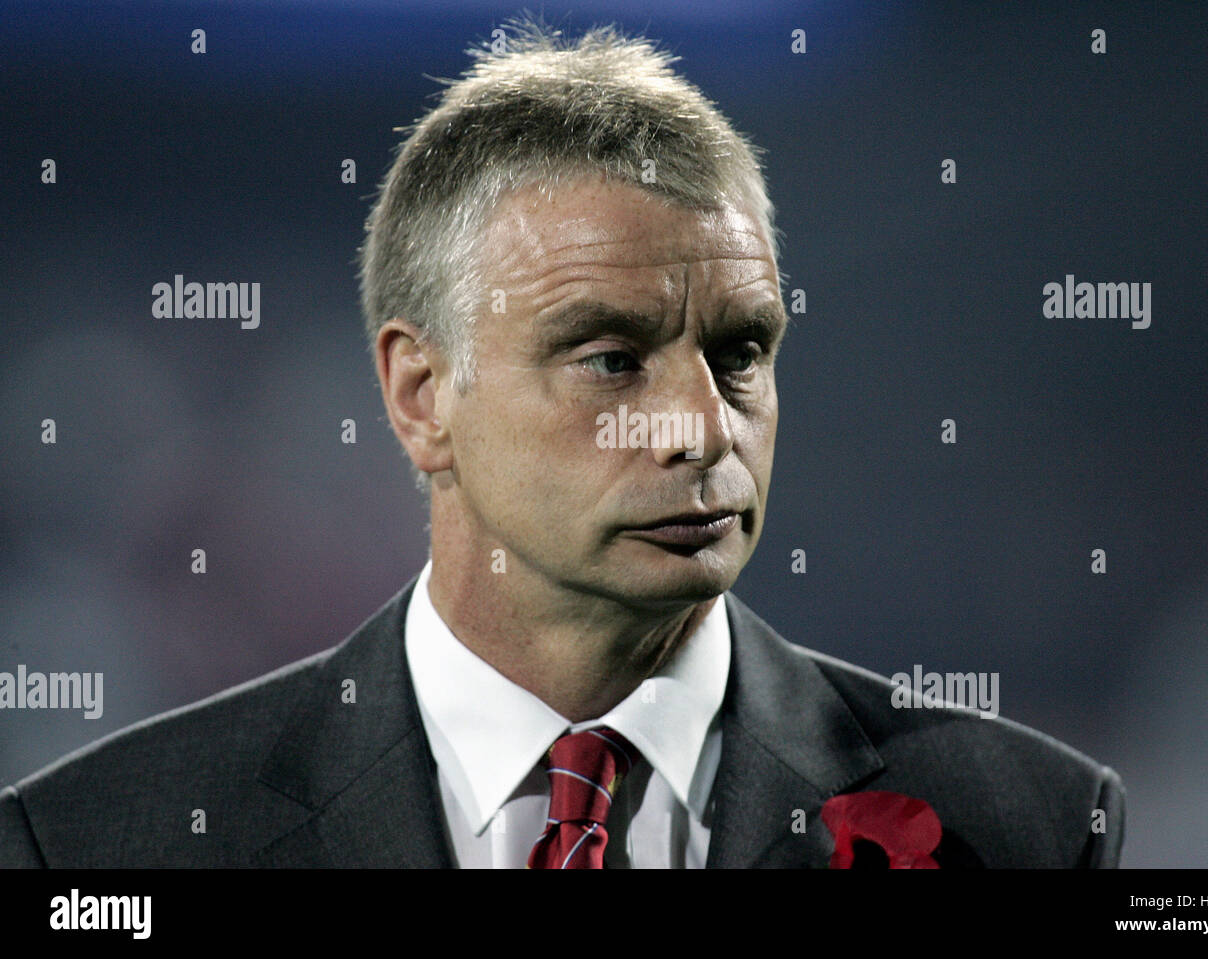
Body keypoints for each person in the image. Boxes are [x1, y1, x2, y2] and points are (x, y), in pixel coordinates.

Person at [0, 17, 1123, 869]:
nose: (697, 428)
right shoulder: (98, 844)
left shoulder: (1023, 827)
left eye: (739, 352)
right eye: (610, 358)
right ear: (420, 395)